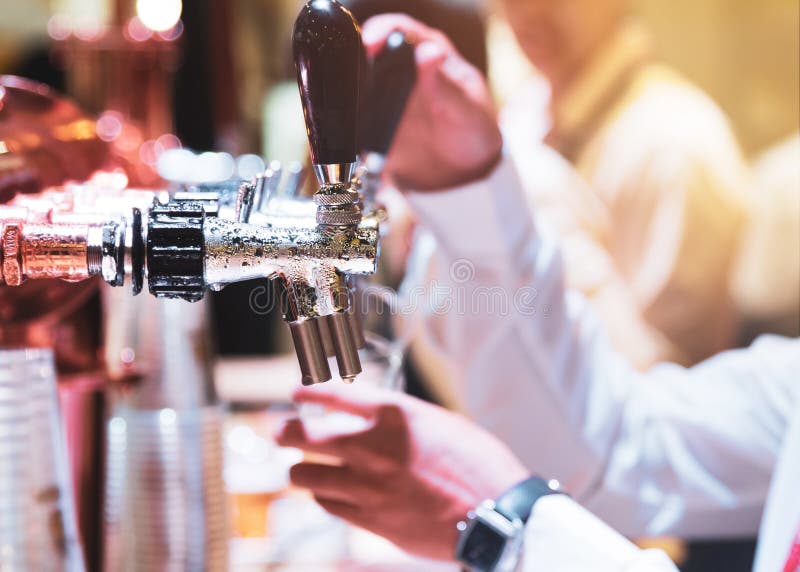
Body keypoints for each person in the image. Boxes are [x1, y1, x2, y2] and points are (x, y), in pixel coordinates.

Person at [274, 14, 800, 572]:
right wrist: (465, 185)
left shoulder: (675, 145)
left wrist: (508, 527)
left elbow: (658, 381)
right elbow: (624, 447)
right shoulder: (523, 118)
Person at [400, 0, 749, 412]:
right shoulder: (525, 112)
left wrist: (530, 212)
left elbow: (679, 403)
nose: (527, 13)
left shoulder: (674, 146)